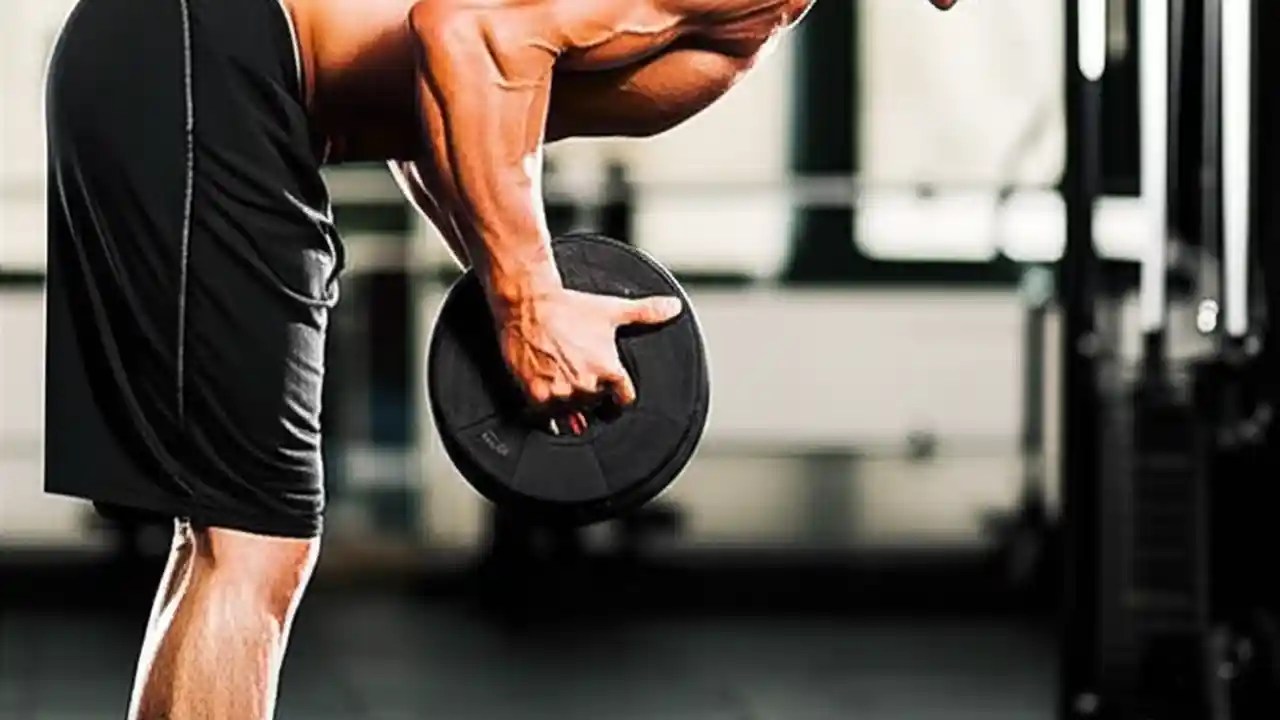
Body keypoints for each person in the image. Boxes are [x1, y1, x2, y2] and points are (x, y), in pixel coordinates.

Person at [43, 0, 959, 717]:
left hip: (220, 77)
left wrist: (513, 282)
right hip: (214, 60)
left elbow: (434, 98)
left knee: (229, 540)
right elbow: (468, 34)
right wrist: (527, 303)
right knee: (252, 545)